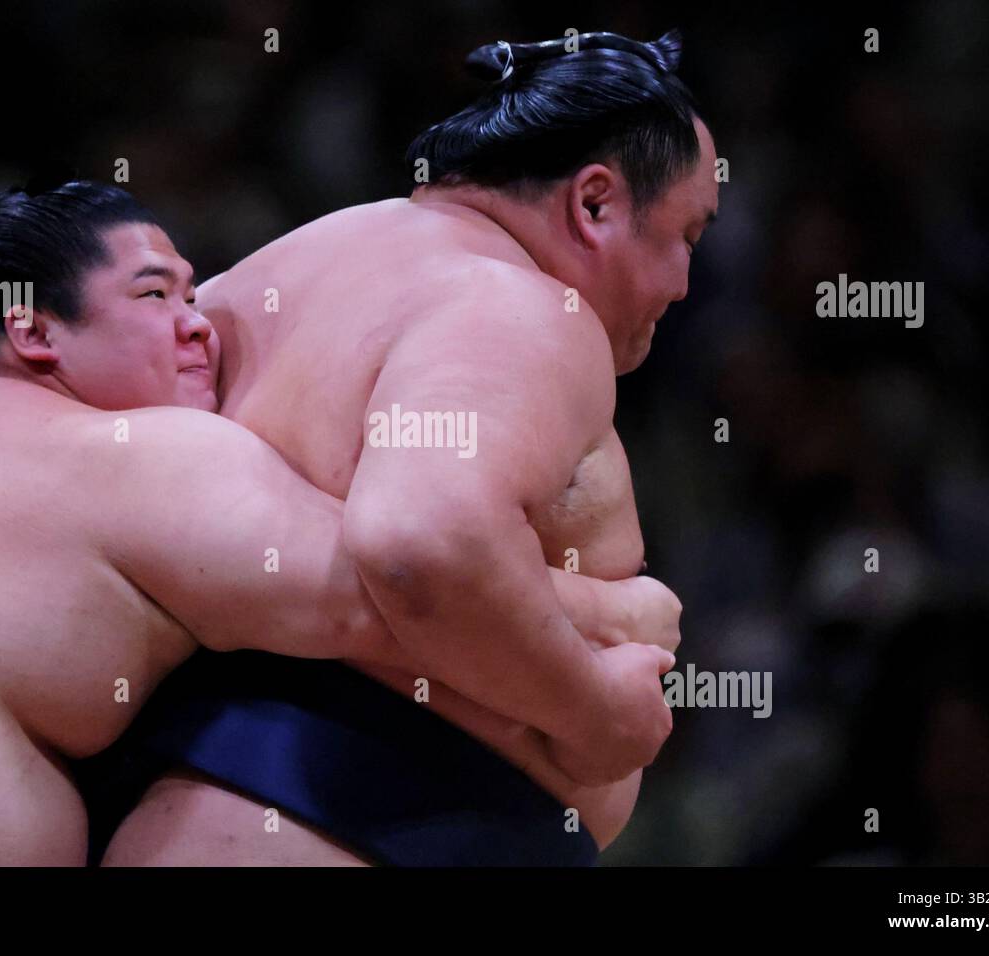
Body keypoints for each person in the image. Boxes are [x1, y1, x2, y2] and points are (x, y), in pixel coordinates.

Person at [0, 179, 670, 866]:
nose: (199, 327)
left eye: (196, 297)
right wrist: (620, 623)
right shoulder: (124, 449)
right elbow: (406, 587)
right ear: (37, 334)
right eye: (156, 296)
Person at [95, 29, 715, 866]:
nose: (683, 282)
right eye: (687, 236)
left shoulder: (275, 269)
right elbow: (424, 539)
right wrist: (595, 710)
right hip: (338, 823)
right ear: (596, 203)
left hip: (205, 812)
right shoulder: (522, 304)